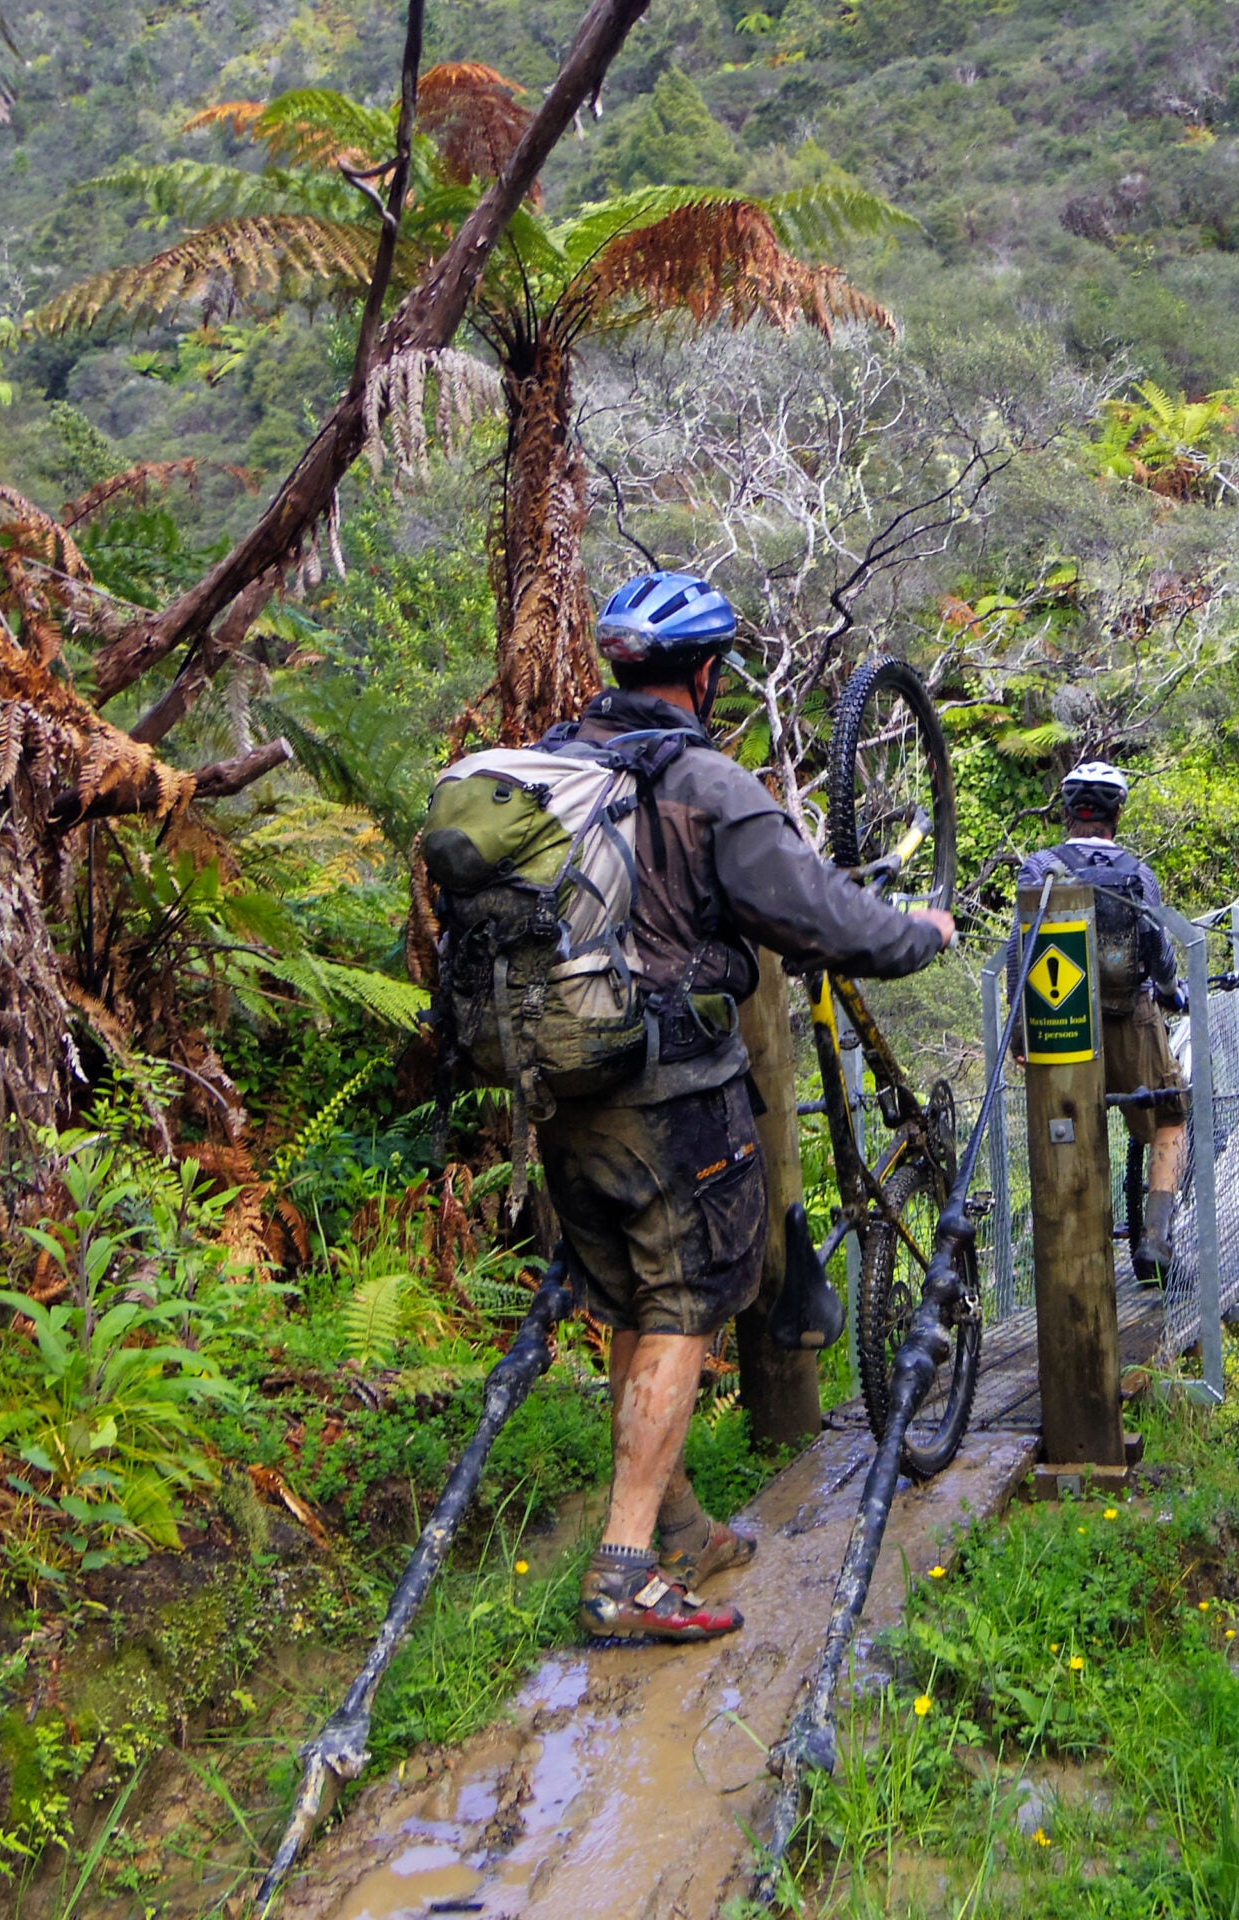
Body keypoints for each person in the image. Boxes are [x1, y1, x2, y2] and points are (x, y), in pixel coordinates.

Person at [536, 570, 956, 1644]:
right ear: (709, 674)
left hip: (561, 1083)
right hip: (672, 1095)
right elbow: (825, 921)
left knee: (633, 1301)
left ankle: (678, 1529)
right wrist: (922, 933)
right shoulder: (708, 786)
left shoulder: (547, 769)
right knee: (679, 1309)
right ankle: (626, 1570)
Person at [1012, 763, 1190, 1281]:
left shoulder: (1039, 868)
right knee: (1171, 1117)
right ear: (1118, 814)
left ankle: (1076, 1253)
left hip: (1061, 1023)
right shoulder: (1138, 874)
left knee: (1070, 1129)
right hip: (1132, 1021)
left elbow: (1018, 951)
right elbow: (1157, 945)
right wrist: (1169, 990)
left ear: (1066, 812)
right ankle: (1155, 1236)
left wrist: (1021, 1026)